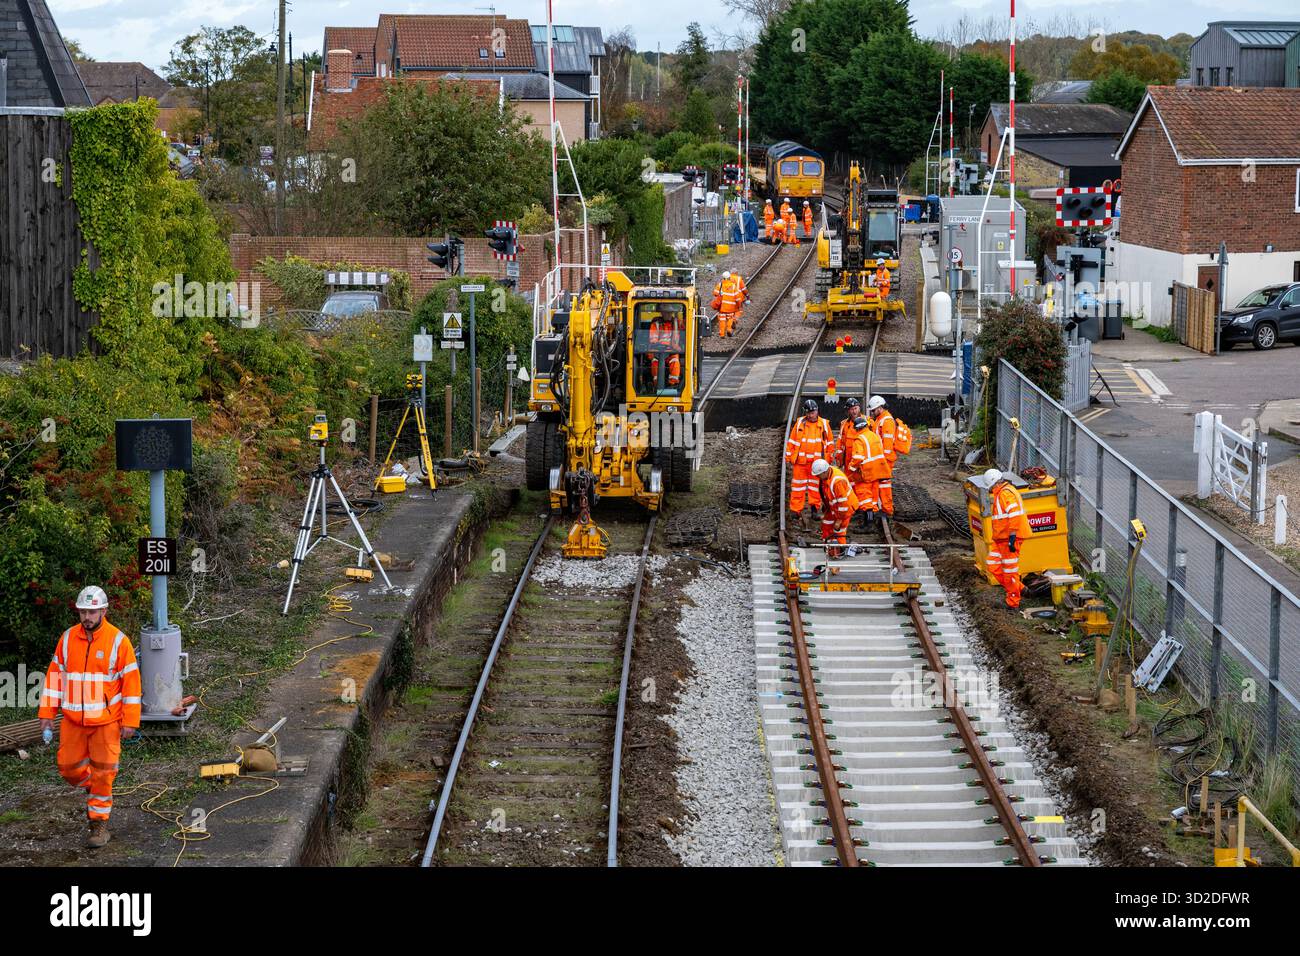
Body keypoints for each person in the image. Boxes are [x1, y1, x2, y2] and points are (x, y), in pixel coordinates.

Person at [38, 586, 141, 849]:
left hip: (106, 723)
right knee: (68, 768)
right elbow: (54, 677)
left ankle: (98, 824)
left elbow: (131, 683)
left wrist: (130, 720)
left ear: (103, 611)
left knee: (105, 773)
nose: (87, 616)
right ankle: (93, 787)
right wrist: (47, 713)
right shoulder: (68, 638)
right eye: (83, 611)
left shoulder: (118, 641)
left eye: (92, 611)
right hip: (73, 721)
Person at [984, 469, 1032, 610]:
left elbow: (1014, 513)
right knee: (992, 565)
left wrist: (1012, 535)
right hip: (1001, 540)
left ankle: (1013, 602)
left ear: (994, 484)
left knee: (1010, 572)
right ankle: (1020, 588)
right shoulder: (1003, 492)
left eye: (991, 487)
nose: (991, 490)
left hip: (1009, 539)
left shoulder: (1005, 493)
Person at [785, 399, 833, 531]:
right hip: (801, 462)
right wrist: (789, 456)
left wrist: (827, 460)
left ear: (817, 411)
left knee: (815, 488)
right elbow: (792, 441)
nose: (812, 415)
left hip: (816, 465)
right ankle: (795, 511)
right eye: (810, 413)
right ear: (806, 413)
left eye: (814, 412)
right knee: (798, 488)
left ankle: (815, 510)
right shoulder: (800, 423)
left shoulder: (824, 424)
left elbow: (829, 443)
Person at [811, 458, 858, 559]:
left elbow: (843, 504)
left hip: (845, 509)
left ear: (824, 472)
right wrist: (826, 504)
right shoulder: (827, 474)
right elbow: (827, 492)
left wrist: (839, 520)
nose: (817, 477)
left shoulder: (837, 482)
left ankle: (839, 551)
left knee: (839, 530)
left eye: (818, 475)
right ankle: (829, 546)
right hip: (835, 507)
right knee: (827, 524)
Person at [846, 415, 887, 528]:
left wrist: (851, 468)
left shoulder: (859, 439)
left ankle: (867, 524)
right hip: (877, 472)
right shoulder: (874, 436)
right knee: (873, 498)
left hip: (866, 473)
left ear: (857, 429)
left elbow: (858, 458)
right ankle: (871, 520)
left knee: (865, 499)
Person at [866, 395, 896, 514]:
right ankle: (881, 508)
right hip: (880, 459)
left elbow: (887, 445)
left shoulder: (887, 421)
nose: (872, 413)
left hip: (884, 460)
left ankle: (887, 510)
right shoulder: (880, 419)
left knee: (884, 485)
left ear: (880, 408)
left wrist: (883, 461)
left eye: (873, 410)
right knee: (879, 484)